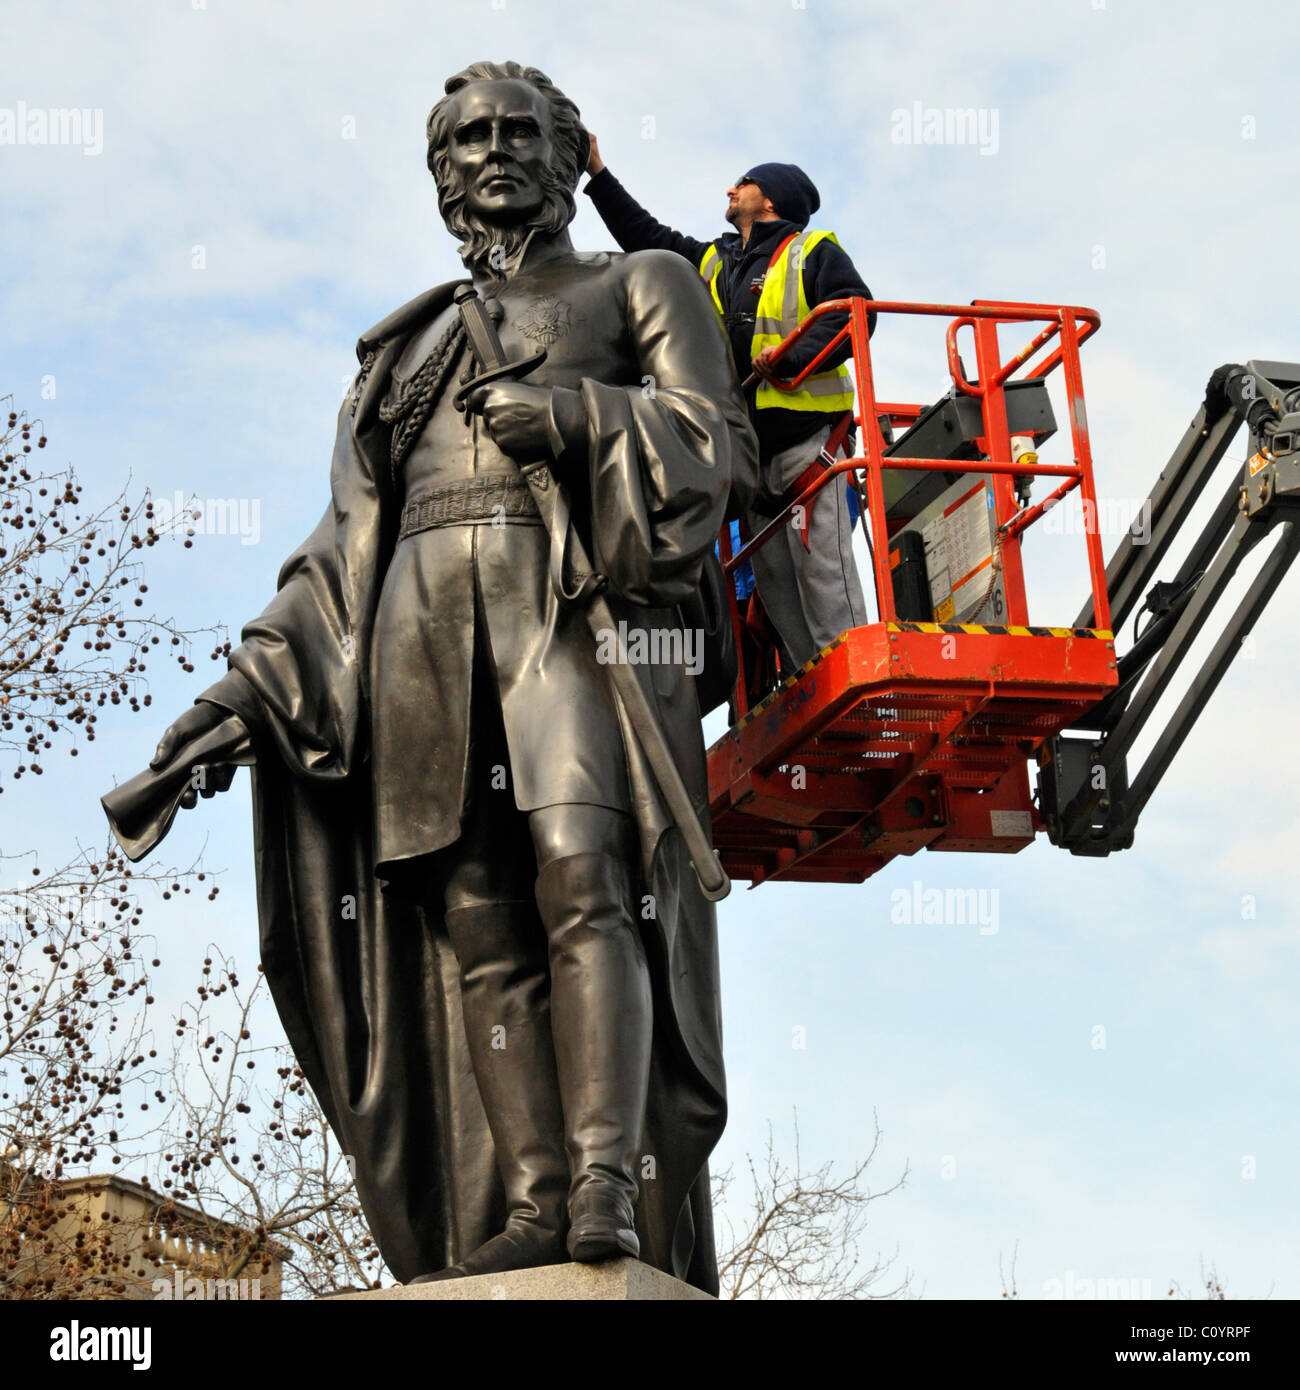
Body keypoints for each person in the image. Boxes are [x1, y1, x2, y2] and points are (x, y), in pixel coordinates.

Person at [104, 61, 756, 1294]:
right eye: (467, 139)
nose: (493, 153)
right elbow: (336, 554)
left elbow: (716, 445)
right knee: (478, 921)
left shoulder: (642, 281)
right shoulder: (405, 353)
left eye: (520, 133)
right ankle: (532, 1196)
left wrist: (572, 419)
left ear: (571, 160)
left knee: (584, 871)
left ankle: (610, 1176)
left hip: (568, 609)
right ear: (440, 174)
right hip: (421, 631)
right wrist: (234, 702)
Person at [584, 139, 875, 670]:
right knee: (777, 587)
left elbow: (855, 315)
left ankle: (856, 684)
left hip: (807, 447)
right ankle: (815, 689)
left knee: (824, 575)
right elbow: (647, 240)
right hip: (750, 456)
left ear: (770, 201)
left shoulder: (811, 253)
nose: (730, 189)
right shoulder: (716, 261)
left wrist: (787, 359)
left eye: (742, 182)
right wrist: (597, 173)